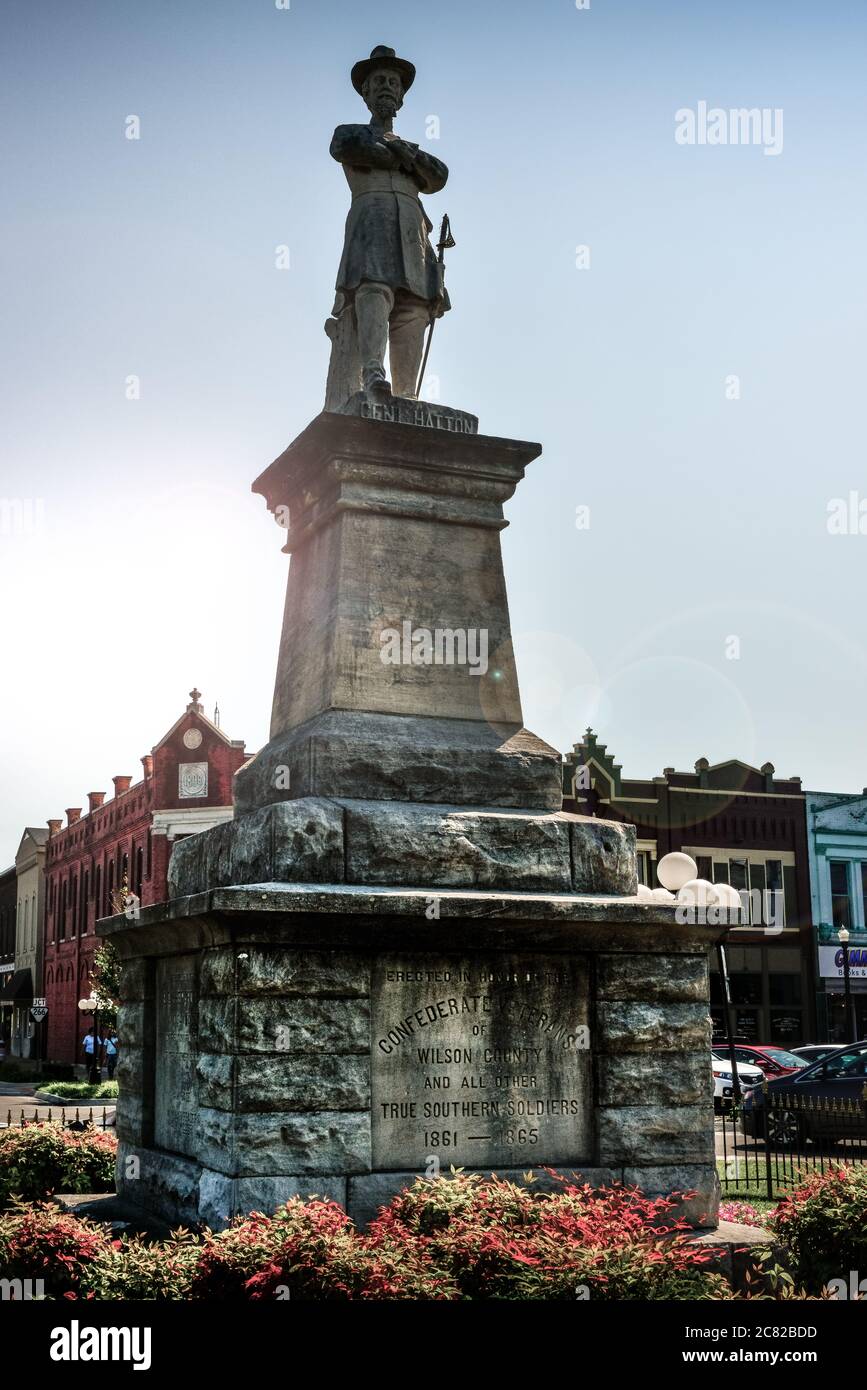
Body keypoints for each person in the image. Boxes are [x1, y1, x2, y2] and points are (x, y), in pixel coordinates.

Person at [326, 45, 450, 405]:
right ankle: (372, 373)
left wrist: (405, 156)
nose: (386, 87)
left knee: (414, 306)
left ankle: (407, 393)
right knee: (374, 289)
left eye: (393, 83)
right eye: (378, 81)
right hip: (373, 220)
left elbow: (438, 176)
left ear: (401, 95)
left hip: (413, 234)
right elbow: (355, 149)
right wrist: (406, 159)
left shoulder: (412, 149)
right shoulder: (350, 133)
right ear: (365, 93)